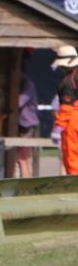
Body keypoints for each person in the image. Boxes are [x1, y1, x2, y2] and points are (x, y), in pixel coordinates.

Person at [51, 45, 78, 175]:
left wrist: (58, 127)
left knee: (72, 158)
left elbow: (67, 108)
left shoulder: (68, 82)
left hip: (73, 122)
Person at [17, 52, 40, 178]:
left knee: (24, 159)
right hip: (22, 125)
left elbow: (19, 102)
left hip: (29, 125)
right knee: (21, 160)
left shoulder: (27, 84)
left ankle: (26, 189)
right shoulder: (20, 84)